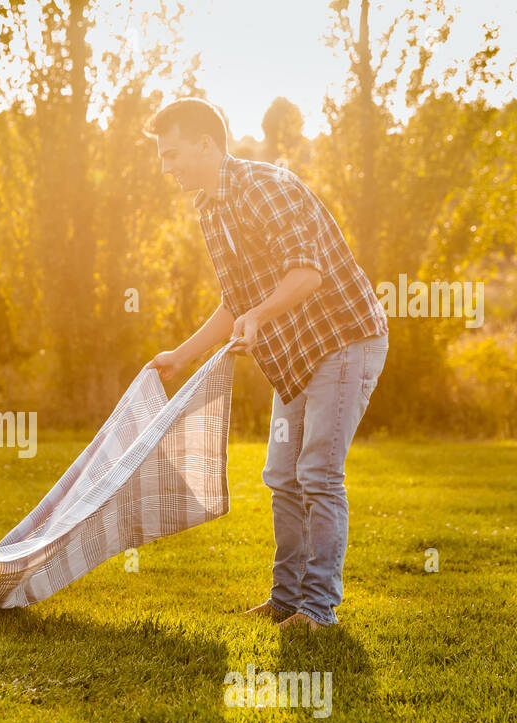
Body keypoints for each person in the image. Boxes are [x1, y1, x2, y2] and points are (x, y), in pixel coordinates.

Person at [144, 98, 389, 633]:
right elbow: (234, 302)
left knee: (318, 475)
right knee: (282, 475)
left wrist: (257, 315)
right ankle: (285, 601)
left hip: (344, 339)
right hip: (295, 354)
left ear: (208, 144)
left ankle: (319, 611)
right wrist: (180, 356)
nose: (167, 167)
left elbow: (307, 275)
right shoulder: (208, 209)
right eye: (162, 158)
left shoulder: (265, 187)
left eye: (174, 154)